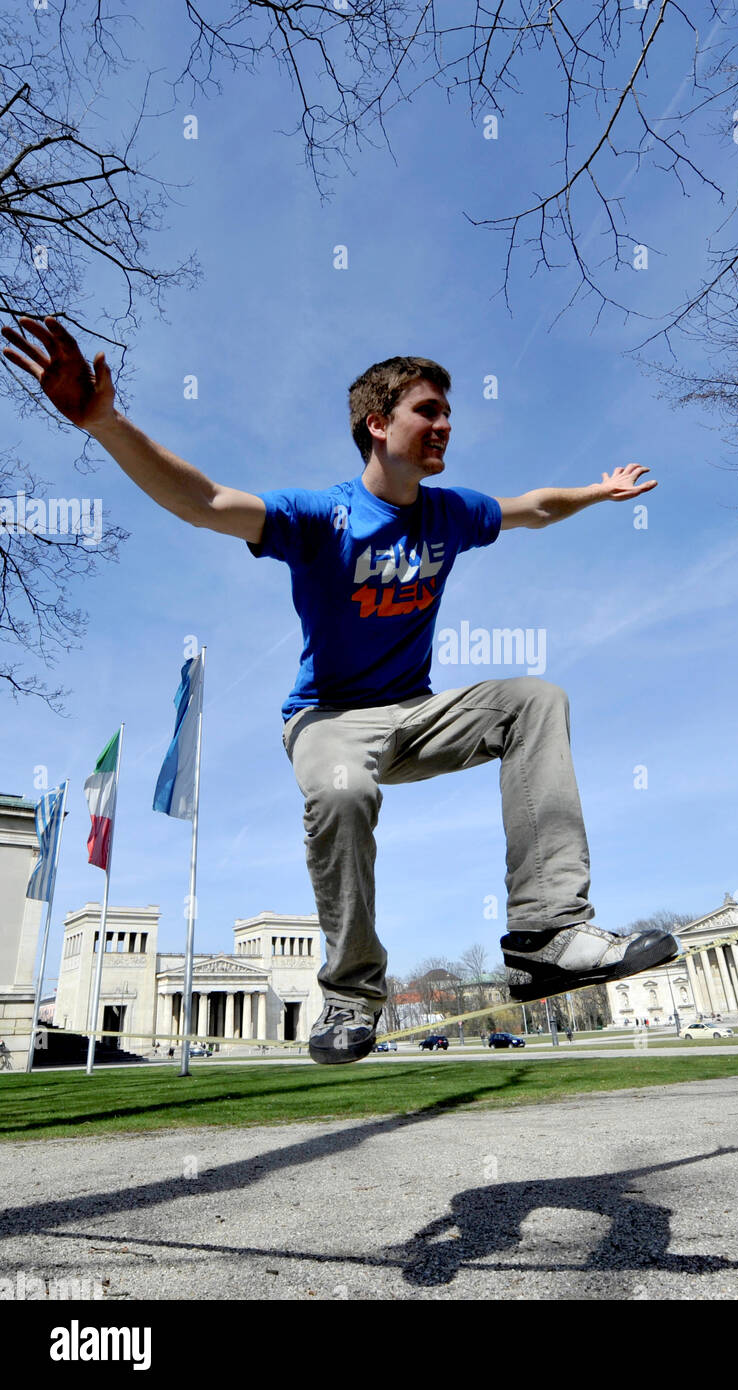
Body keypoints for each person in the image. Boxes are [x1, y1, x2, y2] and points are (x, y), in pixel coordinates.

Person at [2, 316, 681, 1064]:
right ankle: (350, 998)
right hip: (327, 720)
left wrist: (595, 491)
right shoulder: (320, 515)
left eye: (449, 413)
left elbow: (534, 508)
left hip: (416, 713)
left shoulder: (451, 513)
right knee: (342, 790)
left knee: (535, 700)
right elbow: (204, 502)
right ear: (377, 422)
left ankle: (546, 932)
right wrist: (106, 423)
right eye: (429, 411)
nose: (445, 426)